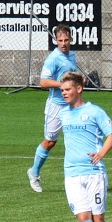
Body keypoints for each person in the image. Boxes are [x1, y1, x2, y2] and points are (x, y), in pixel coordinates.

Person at [57, 72, 112, 222]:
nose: (64, 93)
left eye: (68, 89)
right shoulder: (63, 115)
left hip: (94, 173)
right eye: (62, 90)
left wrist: (101, 153)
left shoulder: (94, 112)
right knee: (84, 219)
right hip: (72, 174)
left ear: (79, 89)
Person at [27, 25, 79, 193]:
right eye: (60, 40)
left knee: (76, 139)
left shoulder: (72, 55)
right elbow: (43, 82)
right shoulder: (53, 59)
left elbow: (70, 77)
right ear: (55, 41)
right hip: (56, 106)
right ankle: (34, 172)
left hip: (71, 105)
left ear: (71, 39)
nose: (63, 43)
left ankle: (77, 177)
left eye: (66, 40)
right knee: (50, 142)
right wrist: (62, 85)